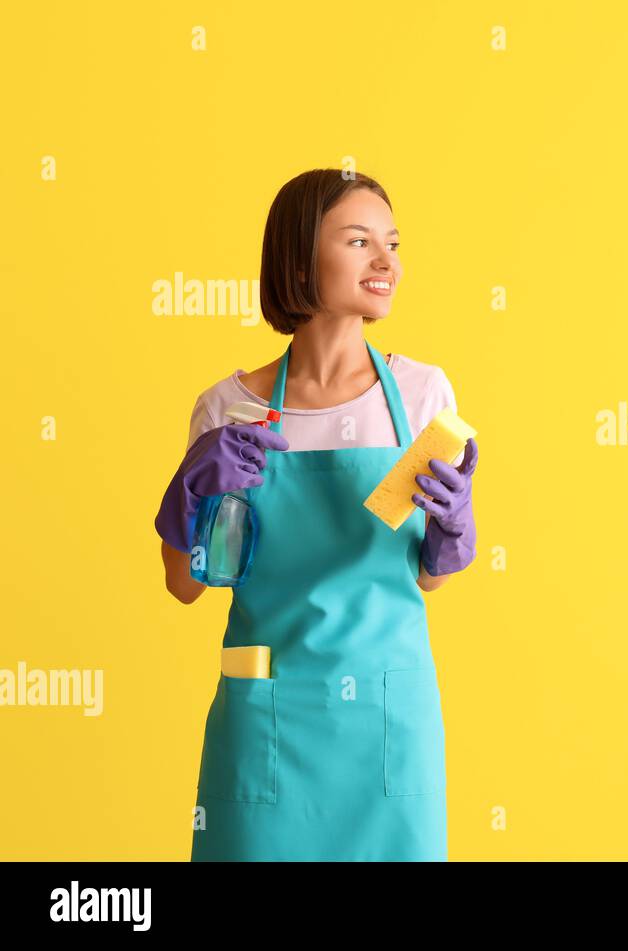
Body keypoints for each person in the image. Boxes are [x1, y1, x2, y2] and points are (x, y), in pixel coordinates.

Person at [155, 169, 478, 860]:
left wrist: (451, 531)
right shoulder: (229, 409)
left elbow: (429, 580)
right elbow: (185, 584)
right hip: (269, 722)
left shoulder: (421, 394)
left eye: (391, 243)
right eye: (359, 241)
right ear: (299, 260)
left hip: (390, 729)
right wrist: (187, 487)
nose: (386, 262)